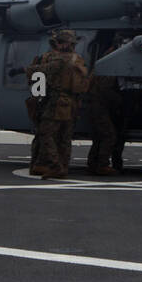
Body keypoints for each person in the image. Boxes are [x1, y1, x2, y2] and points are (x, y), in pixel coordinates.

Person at [30, 28, 89, 179]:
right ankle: (63, 166)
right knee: (65, 137)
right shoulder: (78, 59)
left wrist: (26, 70)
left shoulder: (56, 59)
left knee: (45, 133)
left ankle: (53, 165)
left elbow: (39, 77)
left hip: (55, 102)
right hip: (72, 104)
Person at [85, 33, 129, 175]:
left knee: (99, 136)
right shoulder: (110, 63)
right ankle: (102, 164)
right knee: (108, 135)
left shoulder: (105, 60)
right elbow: (104, 89)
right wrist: (119, 100)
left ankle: (93, 163)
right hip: (100, 105)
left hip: (97, 104)